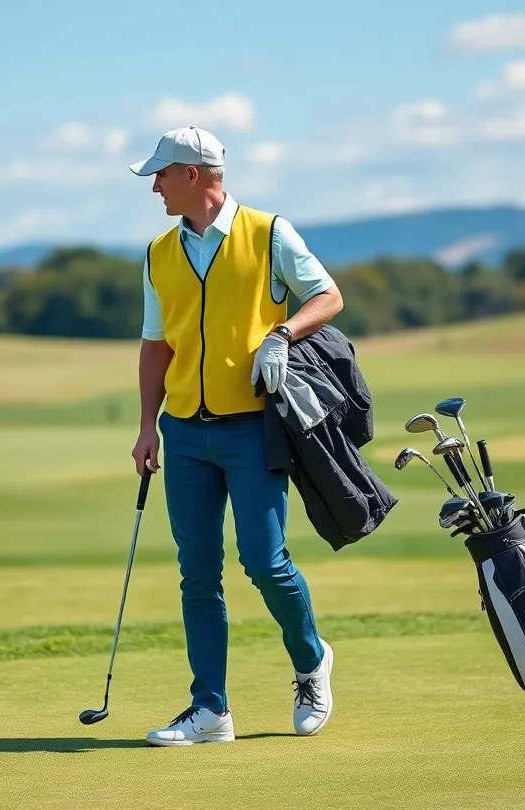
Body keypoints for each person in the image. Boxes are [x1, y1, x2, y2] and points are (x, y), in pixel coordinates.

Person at [128, 126, 345, 747]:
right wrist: (146, 426)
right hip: (184, 433)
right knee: (197, 573)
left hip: (252, 429)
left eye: (161, 175)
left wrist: (283, 334)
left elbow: (327, 297)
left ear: (192, 174)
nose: (155, 187)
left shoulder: (269, 233)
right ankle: (210, 710)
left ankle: (311, 660)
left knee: (265, 561)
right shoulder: (159, 253)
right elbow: (156, 346)